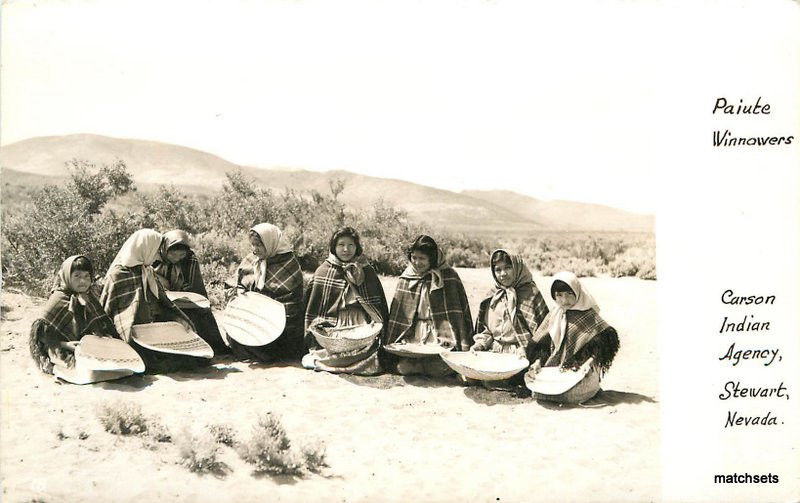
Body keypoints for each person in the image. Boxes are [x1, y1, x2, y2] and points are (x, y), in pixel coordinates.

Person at [101, 228, 208, 374]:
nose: (158, 254)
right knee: (152, 363)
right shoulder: (118, 275)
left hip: (151, 331)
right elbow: (107, 311)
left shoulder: (147, 271)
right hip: (129, 334)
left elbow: (162, 302)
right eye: (156, 249)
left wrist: (179, 318)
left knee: (193, 359)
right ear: (145, 248)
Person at [302, 227, 388, 375]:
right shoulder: (323, 270)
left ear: (357, 247)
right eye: (341, 245)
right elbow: (314, 307)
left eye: (351, 245)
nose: (346, 249)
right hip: (334, 322)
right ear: (334, 247)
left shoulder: (366, 270)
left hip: (360, 323)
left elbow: (377, 304)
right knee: (333, 350)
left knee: (365, 351)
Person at [384, 235, 473, 376]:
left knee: (441, 365)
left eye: (422, 259)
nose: (417, 263)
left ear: (432, 258)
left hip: (440, 334)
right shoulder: (407, 277)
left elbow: (457, 314)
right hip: (415, 333)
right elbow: (400, 317)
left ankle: (429, 366)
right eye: (414, 258)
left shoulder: (449, 276)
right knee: (404, 367)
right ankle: (421, 366)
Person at [224, 223, 304, 363]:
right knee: (236, 334)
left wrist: (266, 307)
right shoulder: (252, 260)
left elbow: (292, 301)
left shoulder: (288, 262)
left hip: (279, 321)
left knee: (274, 348)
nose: (255, 250)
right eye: (253, 245)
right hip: (253, 315)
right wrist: (240, 291)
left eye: (259, 245)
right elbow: (236, 283)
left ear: (270, 243)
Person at [29, 255, 120, 374]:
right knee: (83, 371)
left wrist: (103, 335)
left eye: (87, 276)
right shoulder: (58, 299)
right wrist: (66, 345)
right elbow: (42, 336)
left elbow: (100, 323)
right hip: (60, 348)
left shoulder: (89, 297)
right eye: (77, 276)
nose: (83, 281)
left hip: (85, 346)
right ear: (67, 276)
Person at [525, 271, 620, 378]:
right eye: (559, 295)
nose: (564, 300)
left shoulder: (589, 315)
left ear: (577, 292)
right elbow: (543, 345)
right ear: (554, 296)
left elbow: (603, 345)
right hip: (553, 369)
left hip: (581, 370)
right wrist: (538, 361)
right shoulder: (554, 315)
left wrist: (588, 363)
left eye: (569, 294)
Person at [155, 229, 227, 354]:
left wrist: (184, 295)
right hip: (161, 299)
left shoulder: (189, 260)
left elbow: (196, 288)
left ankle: (211, 347)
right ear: (165, 249)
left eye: (181, 255)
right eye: (173, 255)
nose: (177, 259)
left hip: (184, 298)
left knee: (201, 312)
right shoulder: (155, 259)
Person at [471, 250, 549, 356]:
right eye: (498, 270)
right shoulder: (493, 295)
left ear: (517, 267)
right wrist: (480, 344)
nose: (503, 274)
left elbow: (543, 334)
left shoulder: (531, 294)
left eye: (508, 267)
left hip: (523, 354)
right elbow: (487, 330)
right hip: (494, 352)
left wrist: (527, 351)